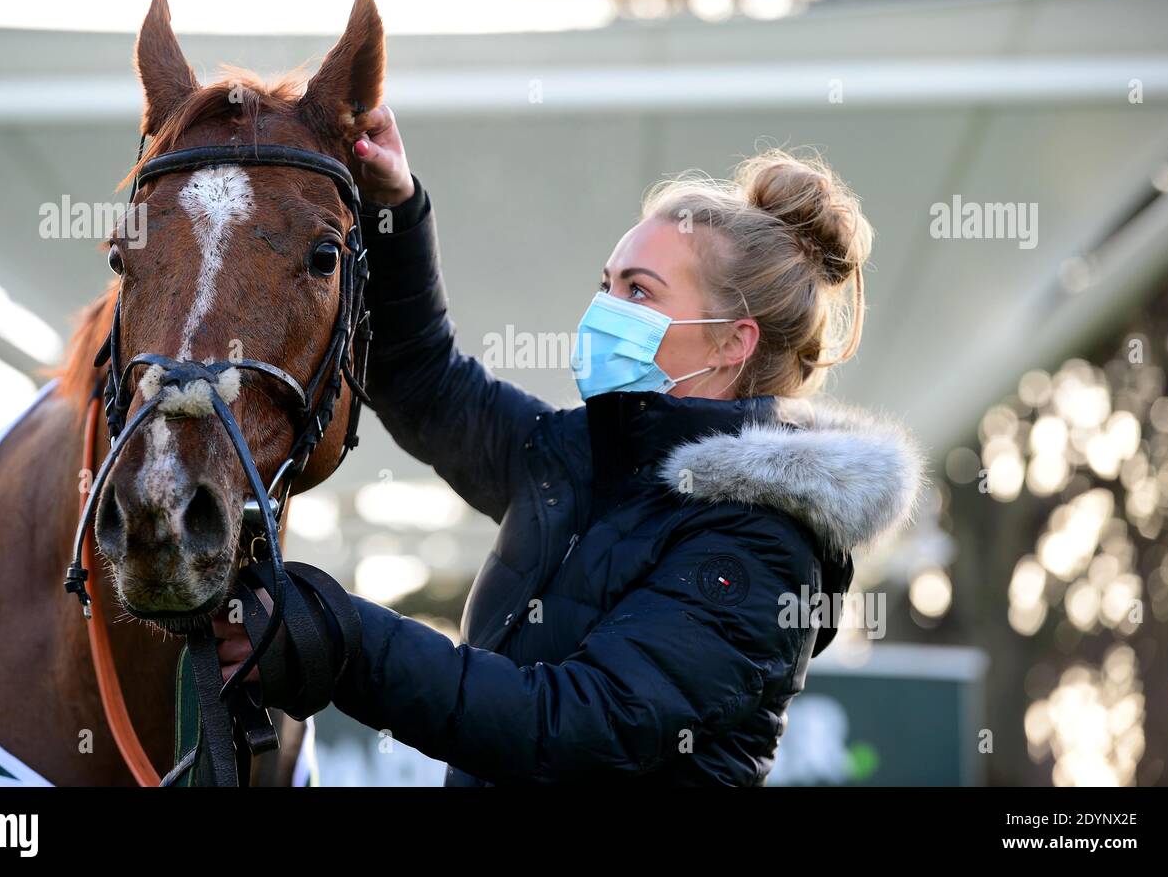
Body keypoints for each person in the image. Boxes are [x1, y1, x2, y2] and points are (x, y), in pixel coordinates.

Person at [214, 106, 923, 786]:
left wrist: (336, 636)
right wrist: (392, 204)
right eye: (606, 284)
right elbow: (423, 382)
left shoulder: (762, 543)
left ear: (734, 342)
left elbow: (567, 723)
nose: (605, 310)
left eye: (639, 292)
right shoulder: (578, 456)